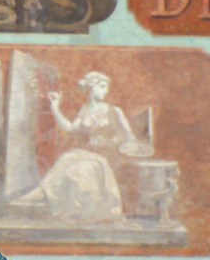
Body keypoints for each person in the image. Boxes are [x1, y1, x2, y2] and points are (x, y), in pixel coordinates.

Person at [13, 71, 146, 221]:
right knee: (67, 159)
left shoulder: (114, 111)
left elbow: (130, 139)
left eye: (106, 87)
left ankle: (41, 194)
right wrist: (54, 107)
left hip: (104, 159)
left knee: (76, 169)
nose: (106, 91)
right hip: (85, 155)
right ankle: (43, 191)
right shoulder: (85, 110)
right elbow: (70, 129)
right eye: (102, 86)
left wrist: (110, 142)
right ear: (91, 88)